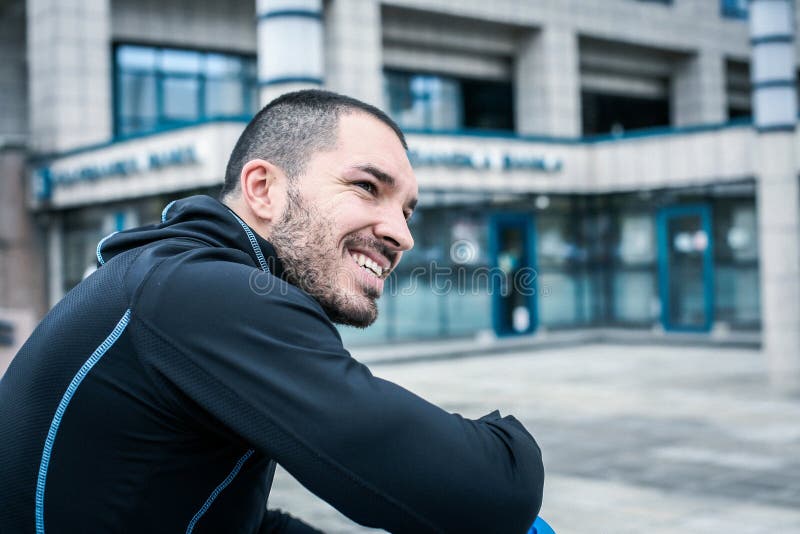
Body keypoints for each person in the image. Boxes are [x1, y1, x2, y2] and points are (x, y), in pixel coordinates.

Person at [0, 90, 544, 533]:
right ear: (263, 189)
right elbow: (493, 494)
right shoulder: (202, 292)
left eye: (406, 210)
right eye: (366, 187)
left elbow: (229, 517)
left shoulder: (172, 274)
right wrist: (511, 451)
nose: (401, 234)